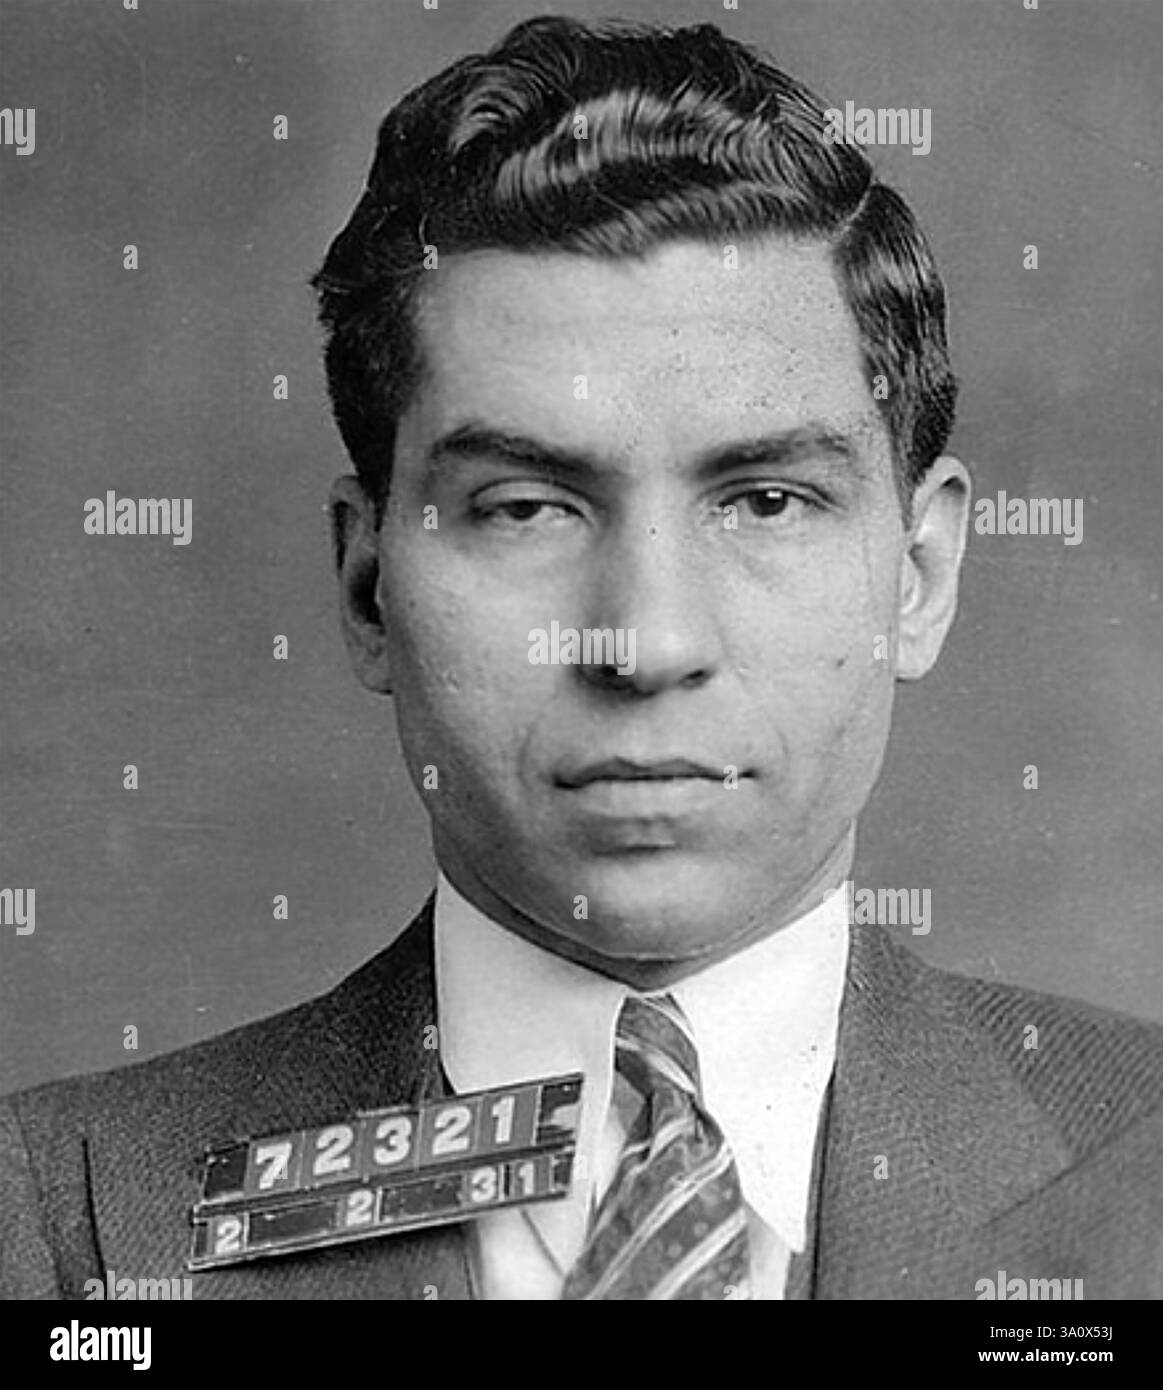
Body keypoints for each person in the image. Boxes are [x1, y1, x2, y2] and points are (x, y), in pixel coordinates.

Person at [2, 15, 1160, 1302]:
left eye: (766, 499)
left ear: (918, 574)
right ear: (367, 583)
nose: (644, 642)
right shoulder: (57, 1215)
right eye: (525, 506)